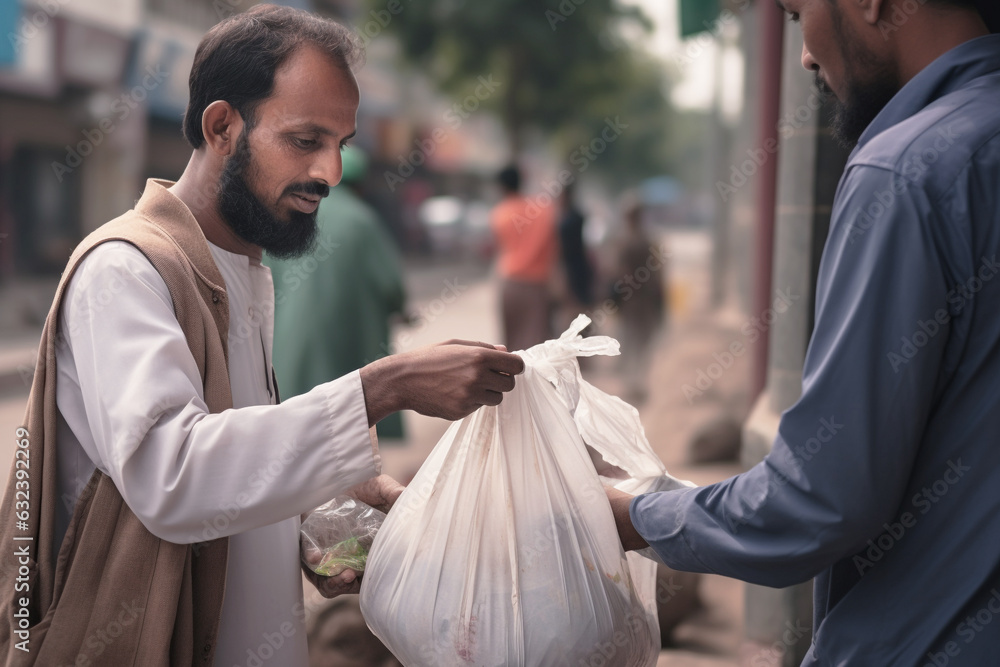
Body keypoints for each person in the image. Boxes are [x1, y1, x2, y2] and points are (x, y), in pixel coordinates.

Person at [0, 6, 524, 665]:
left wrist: (317, 516)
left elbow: (231, 459)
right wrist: (383, 387)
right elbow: (173, 477)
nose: (331, 171)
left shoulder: (239, 269)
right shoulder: (126, 269)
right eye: (305, 140)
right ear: (222, 126)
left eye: (341, 143)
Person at [607, 1, 1000, 664]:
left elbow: (819, 499)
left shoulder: (905, 173)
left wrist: (627, 514)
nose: (807, 56)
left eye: (797, 15)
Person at [267, 146, 407, 439]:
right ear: (359, 184)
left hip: (288, 343)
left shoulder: (285, 216)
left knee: (294, 425)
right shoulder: (362, 220)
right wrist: (400, 309)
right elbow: (391, 284)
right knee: (346, 426)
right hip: (347, 346)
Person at [490, 164, 558, 351]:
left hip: (510, 283)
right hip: (537, 285)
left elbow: (498, 247)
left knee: (509, 343)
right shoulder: (542, 210)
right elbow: (555, 247)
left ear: (501, 186)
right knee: (535, 342)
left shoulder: (500, 213)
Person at [613, 196, 666, 404]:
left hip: (635, 302)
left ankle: (634, 383)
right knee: (637, 341)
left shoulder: (627, 242)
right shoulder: (645, 241)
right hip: (639, 302)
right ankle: (634, 383)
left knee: (634, 341)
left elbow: (617, 273)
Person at [556, 180, 595, 330]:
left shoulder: (568, 220)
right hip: (578, 268)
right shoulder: (576, 216)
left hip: (571, 269)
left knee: (573, 310)